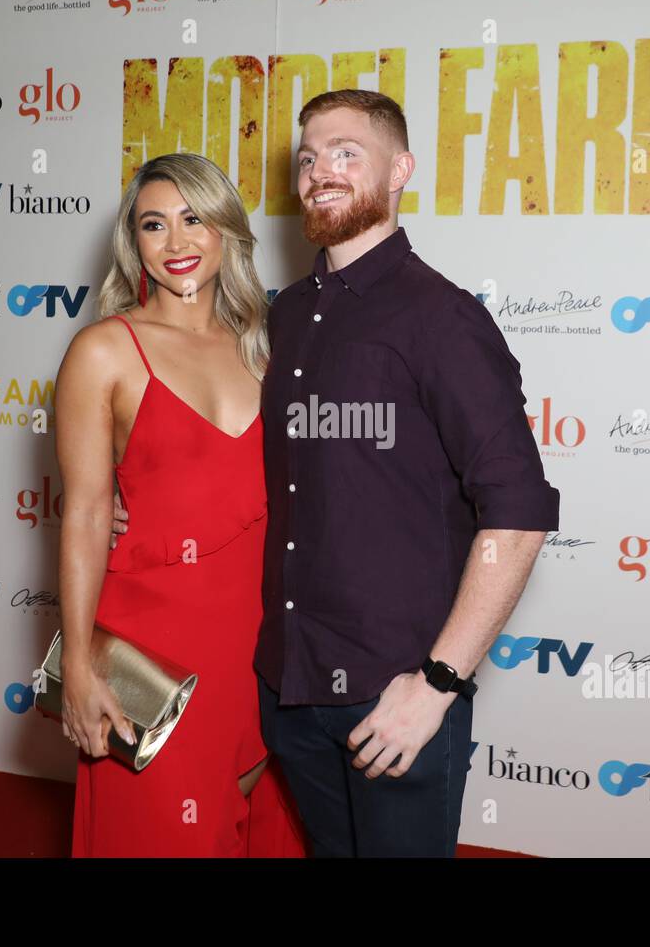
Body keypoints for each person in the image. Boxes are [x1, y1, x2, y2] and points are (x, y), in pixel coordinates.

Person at [116, 91, 561, 857]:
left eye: (348, 152)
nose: (322, 171)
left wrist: (438, 685)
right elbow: (249, 466)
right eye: (310, 156)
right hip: (289, 686)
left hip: (396, 694)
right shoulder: (281, 319)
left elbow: (516, 515)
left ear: (401, 172)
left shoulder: (442, 319)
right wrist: (146, 511)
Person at [55, 152, 306, 857]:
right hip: (155, 656)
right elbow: (83, 513)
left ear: (226, 230)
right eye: (154, 225)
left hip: (268, 656)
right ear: (132, 242)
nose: (177, 242)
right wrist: (78, 664)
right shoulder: (105, 351)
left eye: (195, 219)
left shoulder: (269, 348)